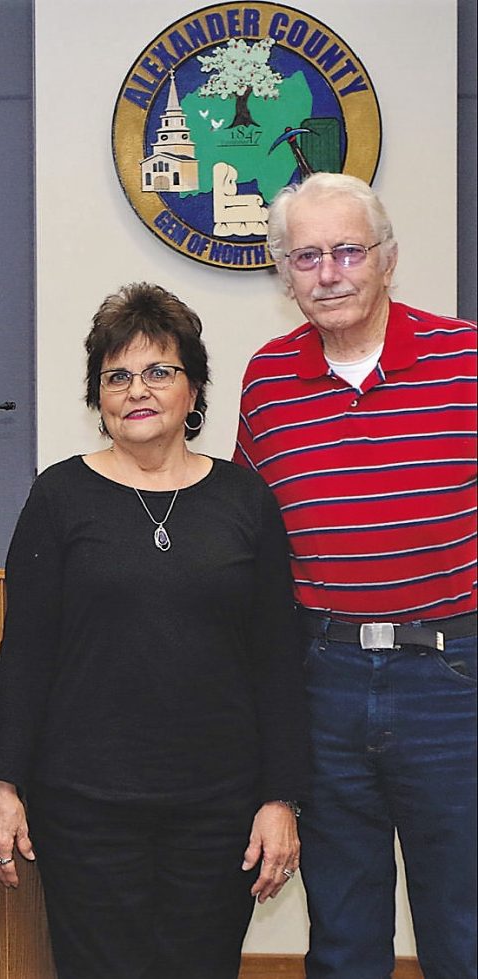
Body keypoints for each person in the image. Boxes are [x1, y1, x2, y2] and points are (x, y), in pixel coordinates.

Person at [0, 282, 307, 978]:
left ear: (195, 387)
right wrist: (1, 783)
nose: (137, 389)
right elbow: (26, 650)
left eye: (159, 370)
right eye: (116, 376)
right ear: (99, 397)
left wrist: (281, 797)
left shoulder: (245, 499)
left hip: (219, 810)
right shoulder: (59, 496)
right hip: (85, 807)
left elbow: (277, 659)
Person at [234, 173, 476, 978]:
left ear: (387, 258)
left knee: (464, 922)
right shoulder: (266, 381)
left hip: (453, 676)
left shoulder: (465, 359)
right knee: (341, 932)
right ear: (283, 272)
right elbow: (255, 543)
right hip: (325, 679)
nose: (328, 272)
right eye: (306, 256)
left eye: (346, 250)